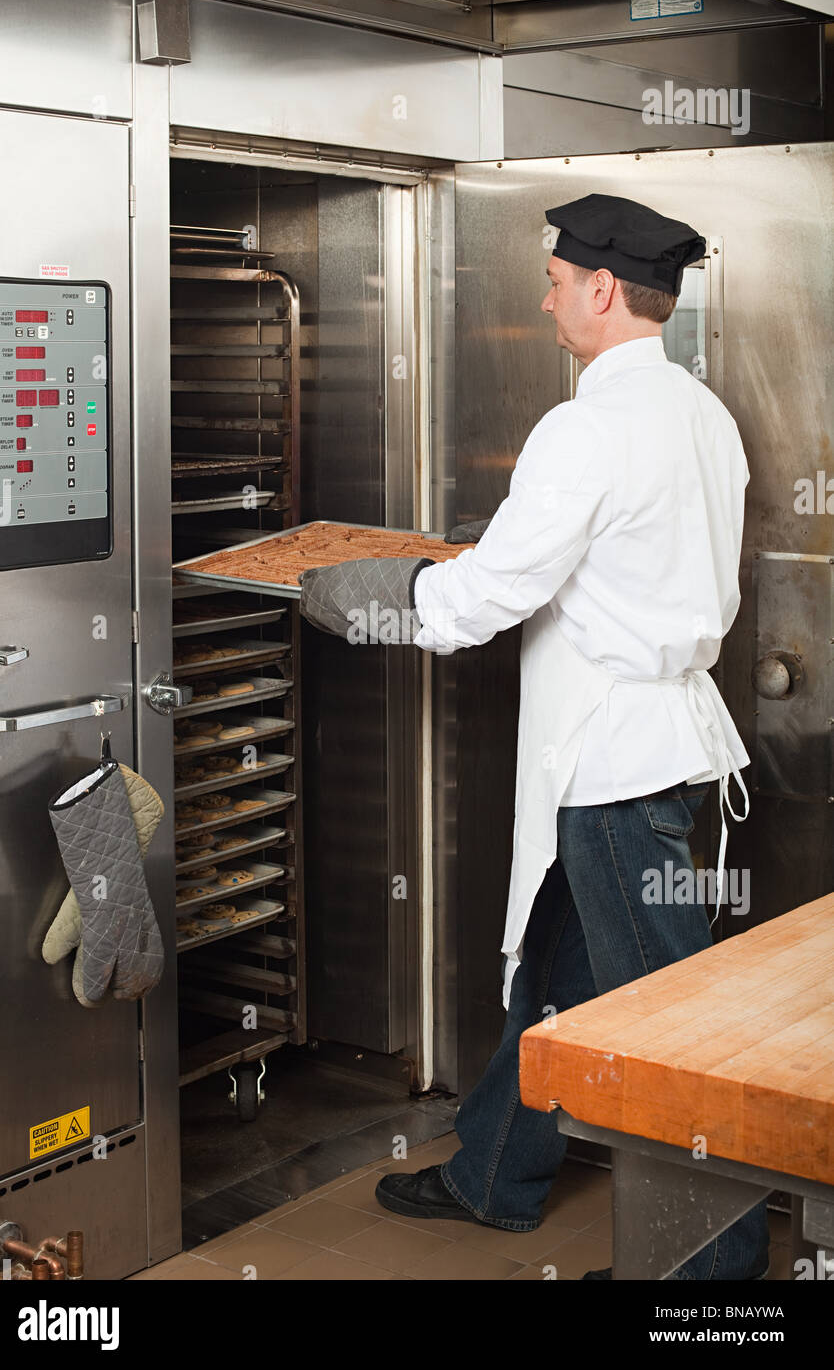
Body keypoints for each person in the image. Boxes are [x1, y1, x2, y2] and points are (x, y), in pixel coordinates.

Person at [298, 193, 769, 1280]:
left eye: (555, 280)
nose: (544, 294)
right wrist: (478, 557)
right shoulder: (699, 413)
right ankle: (496, 1172)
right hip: (663, 749)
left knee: (669, 1027)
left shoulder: (585, 425)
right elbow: (609, 558)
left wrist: (362, 592)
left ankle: (710, 1274)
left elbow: (482, 603)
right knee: (556, 983)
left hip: (611, 769)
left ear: (601, 290)